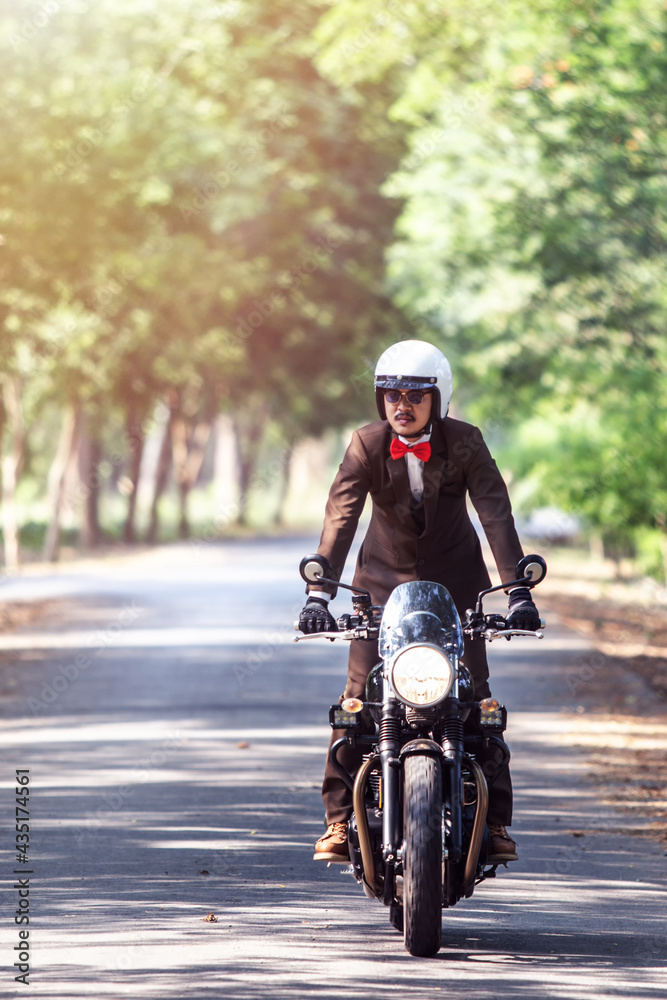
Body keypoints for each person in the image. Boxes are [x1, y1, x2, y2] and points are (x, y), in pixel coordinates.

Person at [298, 340, 540, 864]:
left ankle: (495, 822)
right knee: (356, 705)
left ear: (439, 397)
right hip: (380, 587)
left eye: (414, 395)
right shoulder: (365, 445)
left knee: (479, 704)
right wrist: (320, 592)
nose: (400, 405)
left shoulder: (466, 443)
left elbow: (495, 515)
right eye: (390, 394)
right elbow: (341, 518)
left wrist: (516, 590)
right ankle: (339, 824)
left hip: (459, 587)